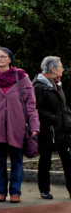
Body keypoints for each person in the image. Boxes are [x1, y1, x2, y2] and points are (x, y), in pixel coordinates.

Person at [0, 47, 39, 203]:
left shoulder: (22, 77)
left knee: (16, 159)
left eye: (3, 56)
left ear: (10, 59)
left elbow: (31, 104)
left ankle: (15, 192)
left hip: (17, 125)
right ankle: (0, 191)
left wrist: (34, 126)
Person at [33, 56, 71, 200]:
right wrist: (52, 117)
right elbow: (34, 108)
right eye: (60, 67)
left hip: (62, 130)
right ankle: (44, 190)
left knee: (68, 161)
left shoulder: (57, 84)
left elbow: (62, 106)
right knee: (45, 160)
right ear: (53, 69)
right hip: (48, 131)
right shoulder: (38, 86)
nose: (62, 69)